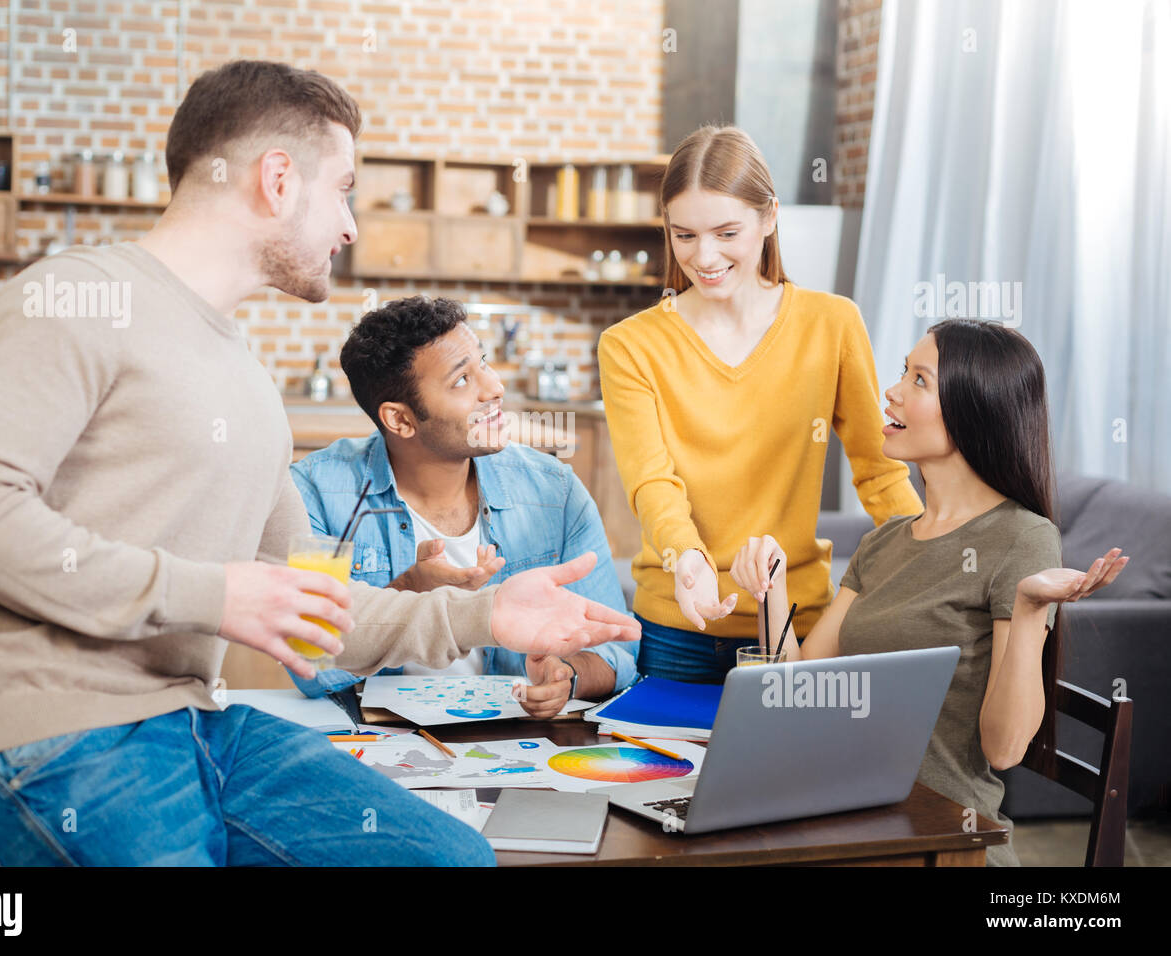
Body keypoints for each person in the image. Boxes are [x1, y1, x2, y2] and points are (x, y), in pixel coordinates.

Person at [0, 60, 637, 867]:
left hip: (193, 725)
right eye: (344, 188)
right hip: (44, 729)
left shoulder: (247, 381)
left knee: (451, 860)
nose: (351, 225)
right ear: (278, 179)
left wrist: (485, 616)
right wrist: (212, 594)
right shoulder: (78, 297)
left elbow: (318, 612)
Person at [728, 320, 1128, 866]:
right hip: (842, 815)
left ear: (974, 409)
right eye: (903, 372)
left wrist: (1032, 611)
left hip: (938, 839)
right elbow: (796, 692)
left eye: (919, 380)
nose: (890, 391)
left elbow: (1005, 749)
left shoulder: (1024, 537)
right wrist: (770, 589)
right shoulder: (885, 540)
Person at [597, 125, 923, 683]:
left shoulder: (832, 324)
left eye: (727, 232)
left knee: (796, 772)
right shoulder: (631, 345)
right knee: (671, 774)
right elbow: (652, 482)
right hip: (679, 626)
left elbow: (879, 470)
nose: (705, 256)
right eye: (685, 235)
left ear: (769, 217)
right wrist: (688, 559)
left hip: (798, 626)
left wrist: (941, 561)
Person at [289, 295, 638, 718]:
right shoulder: (318, 491)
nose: (494, 388)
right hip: (379, 738)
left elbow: (618, 651)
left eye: (484, 363)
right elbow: (310, 665)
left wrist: (567, 674)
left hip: (515, 742)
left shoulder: (554, 491)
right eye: (461, 381)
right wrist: (410, 589)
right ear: (400, 419)